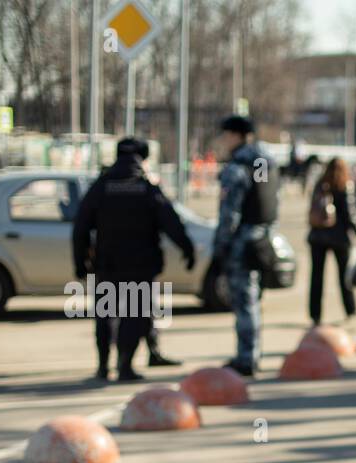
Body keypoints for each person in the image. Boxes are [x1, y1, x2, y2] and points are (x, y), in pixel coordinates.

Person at [72, 137, 195, 382]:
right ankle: (125, 366)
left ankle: (103, 367)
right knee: (134, 314)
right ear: (143, 158)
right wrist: (187, 249)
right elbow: (171, 222)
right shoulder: (146, 187)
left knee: (105, 313)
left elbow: (80, 226)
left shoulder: (102, 186)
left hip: (107, 264)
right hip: (140, 265)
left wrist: (79, 262)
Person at [214, 114, 279, 377]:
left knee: (244, 302)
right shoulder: (267, 162)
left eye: (227, 135)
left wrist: (221, 246)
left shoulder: (238, 167)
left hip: (242, 242)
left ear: (237, 136)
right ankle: (251, 353)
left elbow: (229, 213)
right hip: (264, 238)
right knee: (253, 300)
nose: (224, 140)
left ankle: (247, 357)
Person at [306, 157, 356, 326]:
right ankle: (350, 309)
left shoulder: (320, 184)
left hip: (317, 236)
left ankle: (315, 314)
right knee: (344, 276)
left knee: (317, 277)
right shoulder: (345, 185)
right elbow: (350, 214)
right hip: (339, 238)